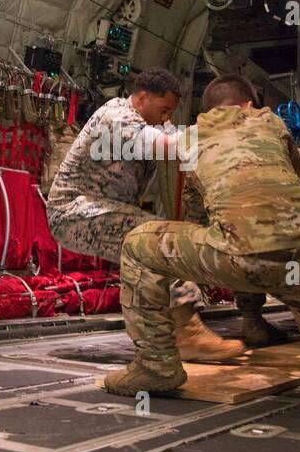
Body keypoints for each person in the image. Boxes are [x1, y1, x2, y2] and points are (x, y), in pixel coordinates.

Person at [103, 73, 300, 396]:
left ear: (205, 111)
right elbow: (294, 172)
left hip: (243, 258)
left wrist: (202, 272)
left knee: (138, 243)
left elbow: (195, 211)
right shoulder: (273, 125)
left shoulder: (191, 137)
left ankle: (156, 365)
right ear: (248, 104)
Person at [46, 66, 245, 359]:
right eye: (163, 110)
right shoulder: (115, 117)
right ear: (141, 98)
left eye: (170, 113)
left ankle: (162, 339)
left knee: (151, 254)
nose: (166, 118)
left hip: (105, 211)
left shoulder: (150, 121)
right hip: (75, 212)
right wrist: (222, 133)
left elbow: (180, 144)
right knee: (161, 239)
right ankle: (187, 334)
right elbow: (171, 145)